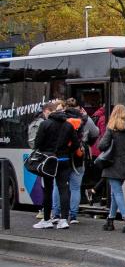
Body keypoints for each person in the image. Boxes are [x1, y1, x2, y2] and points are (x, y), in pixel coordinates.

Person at [32, 100, 78, 230]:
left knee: (48, 189)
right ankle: (63, 220)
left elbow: (37, 144)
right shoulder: (68, 125)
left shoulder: (45, 124)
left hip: (49, 161)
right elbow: (75, 144)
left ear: (51, 112)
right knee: (63, 188)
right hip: (64, 160)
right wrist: (66, 151)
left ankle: (46, 219)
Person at [97, 105, 125, 233]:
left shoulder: (112, 130)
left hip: (112, 165)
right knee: (115, 193)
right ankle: (110, 220)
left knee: (117, 192)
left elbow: (102, 146)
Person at [63, 98, 100, 224]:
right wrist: (87, 143)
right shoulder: (85, 119)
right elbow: (96, 133)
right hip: (79, 156)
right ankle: (73, 216)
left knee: (59, 187)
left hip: (62, 157)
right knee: (75, 188)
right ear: (79, 107)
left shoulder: (59, 118)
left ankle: (57, 214)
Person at [28, 100, 55, 220]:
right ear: (46, 111)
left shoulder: (46, 122)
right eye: (51, 111)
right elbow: (34, 142)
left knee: (49, 186)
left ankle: (47, 212)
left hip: (46, 158)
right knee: (47, 186)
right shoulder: (40, 123)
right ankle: (45, 211)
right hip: (45, 158)